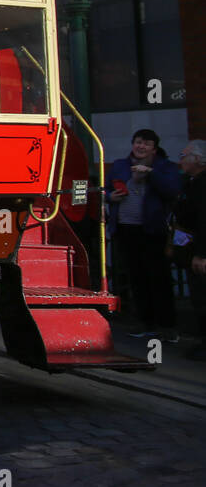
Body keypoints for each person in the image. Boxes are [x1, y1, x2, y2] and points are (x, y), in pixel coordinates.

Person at [107, 128, 180, 340]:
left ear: (154, 149)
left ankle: (167, 325)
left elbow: (171, 191)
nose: (141, 147)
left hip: (153, 230)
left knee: (159, 278)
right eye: (138, 142)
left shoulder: (164, 167)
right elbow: (105, 189)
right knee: (136, 277)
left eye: (146, 144)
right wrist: (111, 197)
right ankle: (144, 321)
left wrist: (150, 174)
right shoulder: (120, 165)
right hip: (125, 229)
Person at [173, 140, 206, 360]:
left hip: (200, 249)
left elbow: (204, 220)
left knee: (203, 297)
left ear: (198, 159)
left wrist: (202, 254)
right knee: (198, 297)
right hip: (190, 245)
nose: (181, 160)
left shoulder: (202, 184)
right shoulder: (190, 182)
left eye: (184, 156)